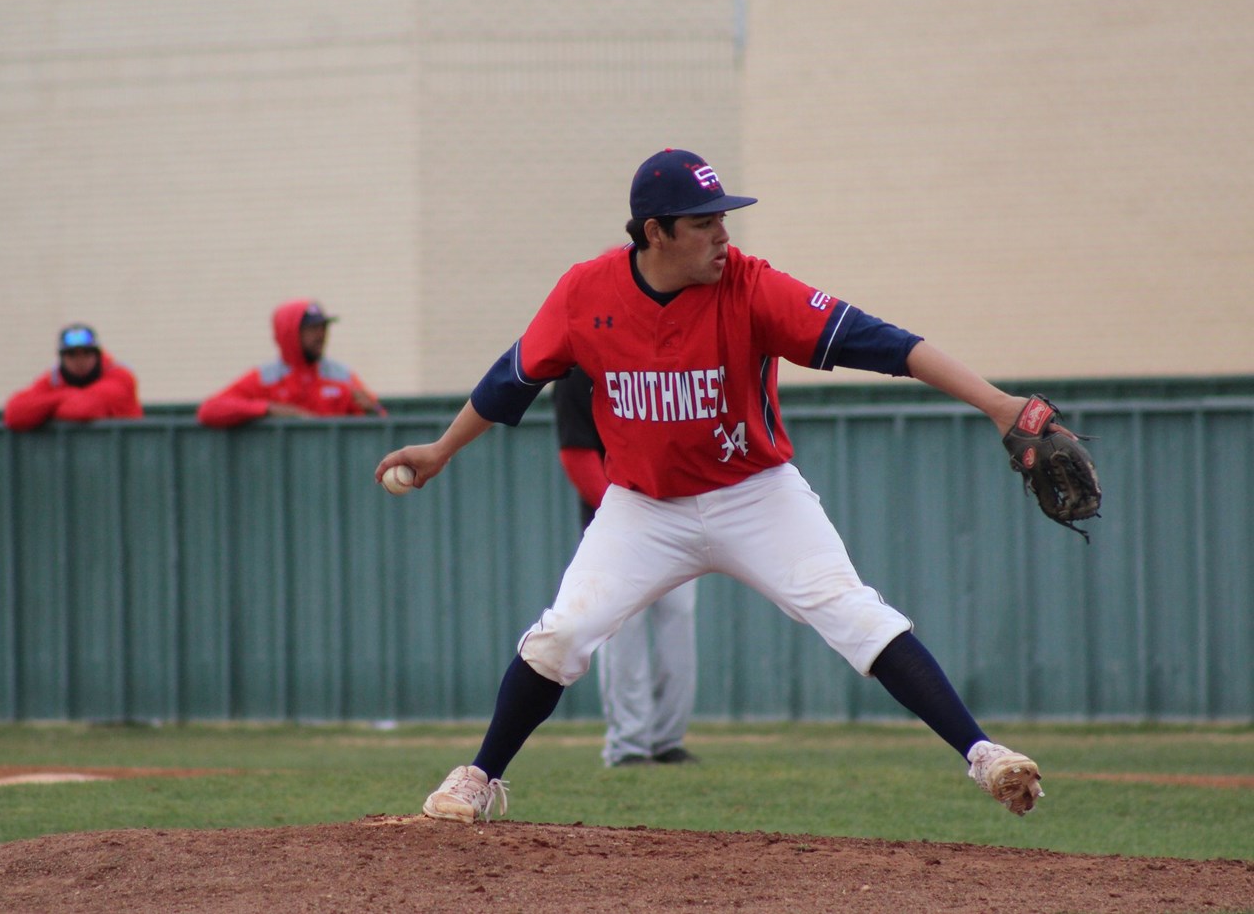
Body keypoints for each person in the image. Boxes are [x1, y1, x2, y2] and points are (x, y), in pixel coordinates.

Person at [376, 148, 1047, 825]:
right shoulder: (587, 292)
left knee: (852, 611)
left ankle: (983, 753)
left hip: (755, 495)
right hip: (643, 508)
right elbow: (509, 379)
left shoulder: (750, 285)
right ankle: (479, 775)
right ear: (655, 231)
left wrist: (996, 404)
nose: (723, 234)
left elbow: (883, 342)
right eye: (702, 222)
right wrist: (440, 448)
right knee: (562, 633)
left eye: (721, 217)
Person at [553, 365, 699, 767]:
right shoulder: (575, 371)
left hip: (675, 513)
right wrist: (625, 519)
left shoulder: (654, 354)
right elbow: (577, 456)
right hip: (617, 529)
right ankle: (629, 745)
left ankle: (668, 740)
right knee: (623, 631)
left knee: (678, 624)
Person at [197, 299, 385, 427]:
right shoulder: (265, 378)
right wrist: (270, 409)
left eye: (323, 328)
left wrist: (372, 410)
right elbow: (209, 410)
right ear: (290, 333)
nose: (321, 335)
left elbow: (381, 422)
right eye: (312, 329)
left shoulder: (341, 375)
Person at [3, 323, 143, 431]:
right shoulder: (55, 379)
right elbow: (14, 413)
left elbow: (84, 409)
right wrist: (64, 397)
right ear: (61, 358)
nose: (79, 360)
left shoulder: (119, 376)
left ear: (97, 355)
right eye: (71, 355)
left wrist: (46, 409)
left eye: (86, 353)